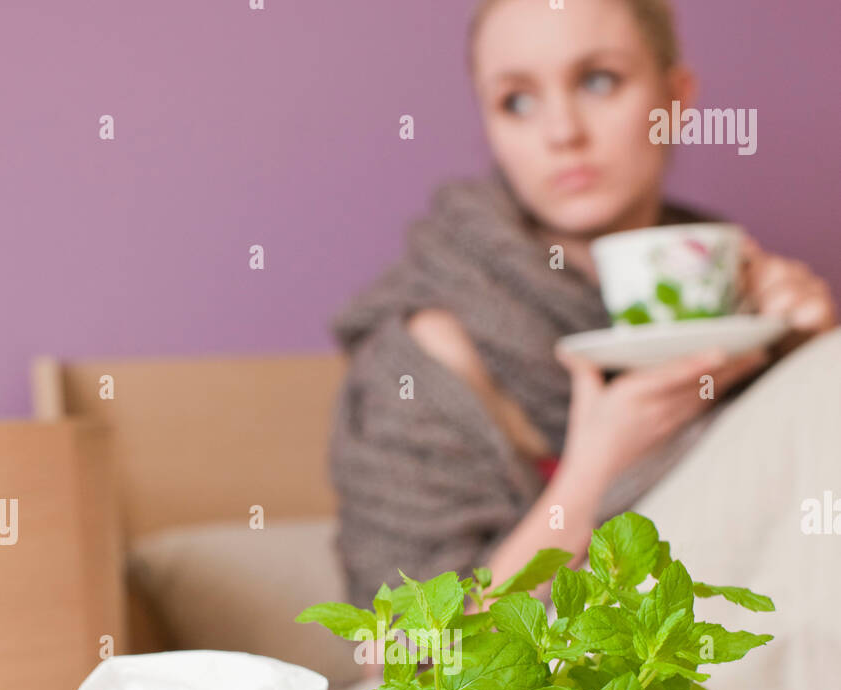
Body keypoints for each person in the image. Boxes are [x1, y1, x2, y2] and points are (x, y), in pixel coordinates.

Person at [328, 0, 836, 606]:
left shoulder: (739, 299)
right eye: (517, 100)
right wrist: (593, 475)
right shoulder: (423, 349)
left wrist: (805, 358)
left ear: (674, 100)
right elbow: (399, 656)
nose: (563, 132)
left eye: (599, 81)